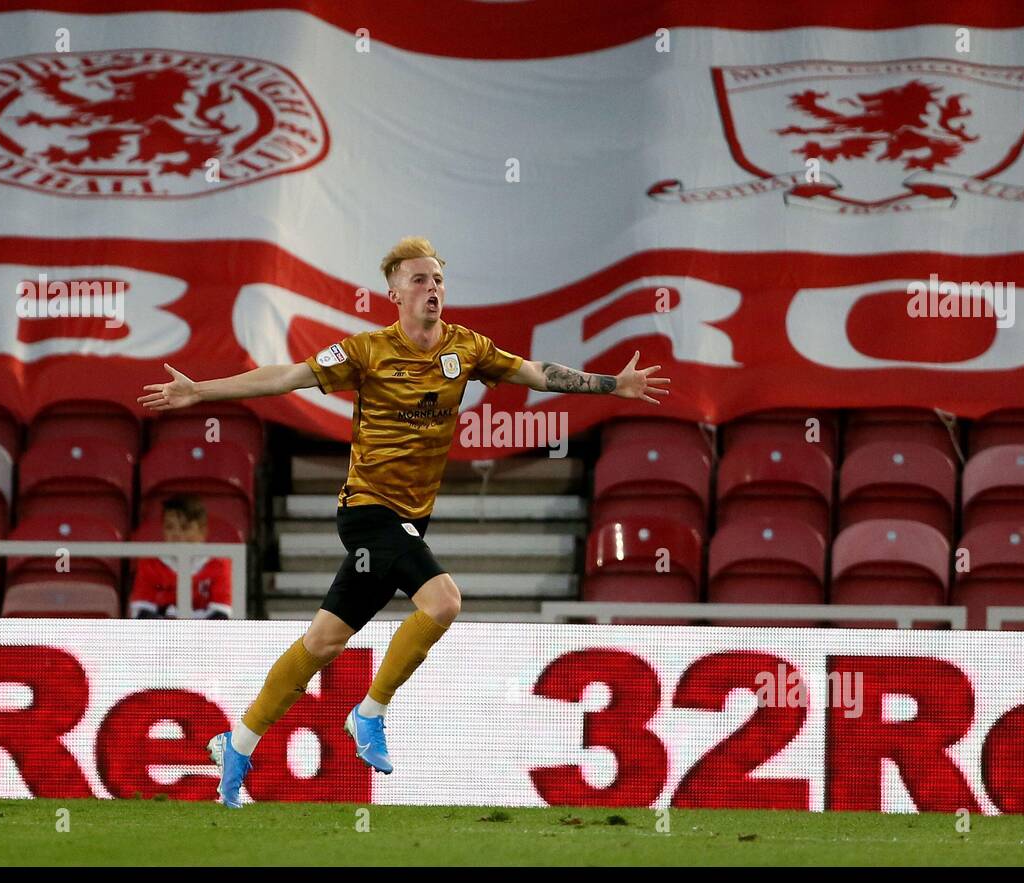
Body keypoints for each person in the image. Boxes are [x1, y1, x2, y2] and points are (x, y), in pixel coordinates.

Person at [139, 236, 670, 807]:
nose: (432, 288)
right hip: (366, 511)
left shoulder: (467, 349)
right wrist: (201, 392)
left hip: (408, 521)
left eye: (438, 279)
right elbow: (284, 377)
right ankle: (368, 713)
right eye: (418, 280)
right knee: (443, 602)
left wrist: (614, 384)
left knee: (323, 641)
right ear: (392, 293)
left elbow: (537, 374)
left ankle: (236, 748)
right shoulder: (366, 351)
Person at [129, 495, 232, 619]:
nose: (176, 534)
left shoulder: (219, 563)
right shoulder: (149, 563)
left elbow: (221, 613)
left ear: (202, 531)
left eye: (185, 528)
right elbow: (141, 611)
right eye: (169, 527)